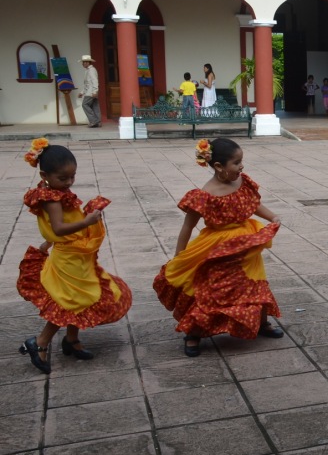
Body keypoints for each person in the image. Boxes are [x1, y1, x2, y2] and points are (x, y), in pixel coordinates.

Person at [154, 138, 284, 357]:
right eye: (236, 162)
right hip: (217, 248)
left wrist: (272, 216)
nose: (241, 166)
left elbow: (254, 205)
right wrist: (179, 254)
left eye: (241, 161)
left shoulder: (242, 182)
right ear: (218, 167)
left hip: (246, 245)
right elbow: (188, 226)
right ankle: (193, 333)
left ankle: (262, 323)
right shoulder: (204, 195)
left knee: (255, 282)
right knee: (210, 291)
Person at [17, 139, 132, 374]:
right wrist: (86, 221)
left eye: (72, 177)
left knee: (76, 297)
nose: (69, 182)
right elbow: (58, 228)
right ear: (44, 174)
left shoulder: (55, 190)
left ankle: (71, 340)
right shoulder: (51, 198)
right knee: (70, 300)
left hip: (75, 256)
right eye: (63, 178)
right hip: (68, 259)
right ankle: (39, 342)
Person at [78, 55, 101, 128]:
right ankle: (98, 122)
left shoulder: (91, 70)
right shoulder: (88, 70)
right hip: (90, 91)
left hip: (91, 92)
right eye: (83, 62)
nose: (84, 63)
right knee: (95, 106)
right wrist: (82, 92)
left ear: (89, 62)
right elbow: (87, 84)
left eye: (86, 62)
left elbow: (94, 81)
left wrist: (95, 91)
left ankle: (93, 121)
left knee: (84, 104)